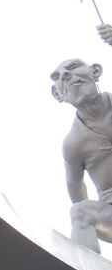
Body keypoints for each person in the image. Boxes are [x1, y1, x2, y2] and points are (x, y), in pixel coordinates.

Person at [51, 58, 112, 253]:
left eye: (73, 67)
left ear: (95, 71)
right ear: (58, 94)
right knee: (81, 212)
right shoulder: (73, 145)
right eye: (58, 77)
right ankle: (87, 269)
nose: (65, 75)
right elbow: (77, 192)